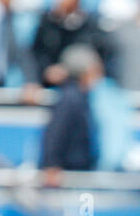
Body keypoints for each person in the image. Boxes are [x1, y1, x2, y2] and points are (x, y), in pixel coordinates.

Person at [39, 44, 103, 184]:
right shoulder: (70, 98)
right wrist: (51, 165)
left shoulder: (81, 96)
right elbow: (55, 132)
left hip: (79, 169)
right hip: (69, 170)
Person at [31, 0, 108, 88]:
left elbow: (98, 56)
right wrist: (47, 70)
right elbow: (37, 53)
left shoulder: (89, 27)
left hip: (80, 84)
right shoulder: (48, 24)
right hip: (51, 82)